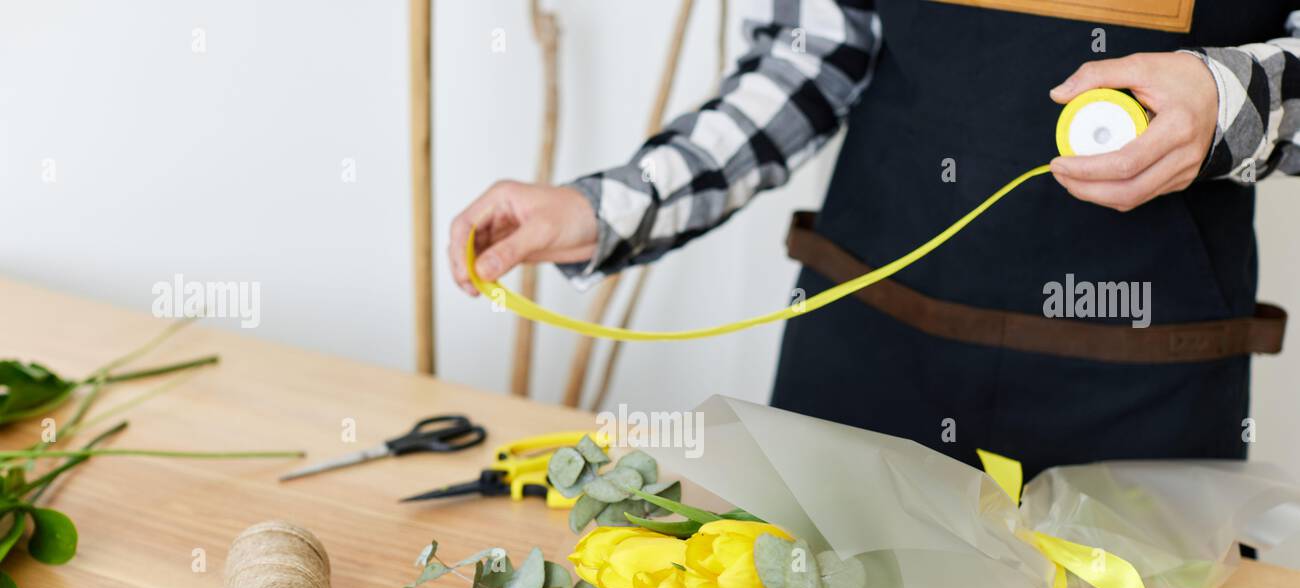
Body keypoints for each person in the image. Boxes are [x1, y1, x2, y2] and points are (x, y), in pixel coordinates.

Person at [450, 1, 1299, 479]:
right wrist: (613, 207)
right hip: (868, 364)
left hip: (1145, 396)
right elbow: (812, 51)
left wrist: (1225, 100)